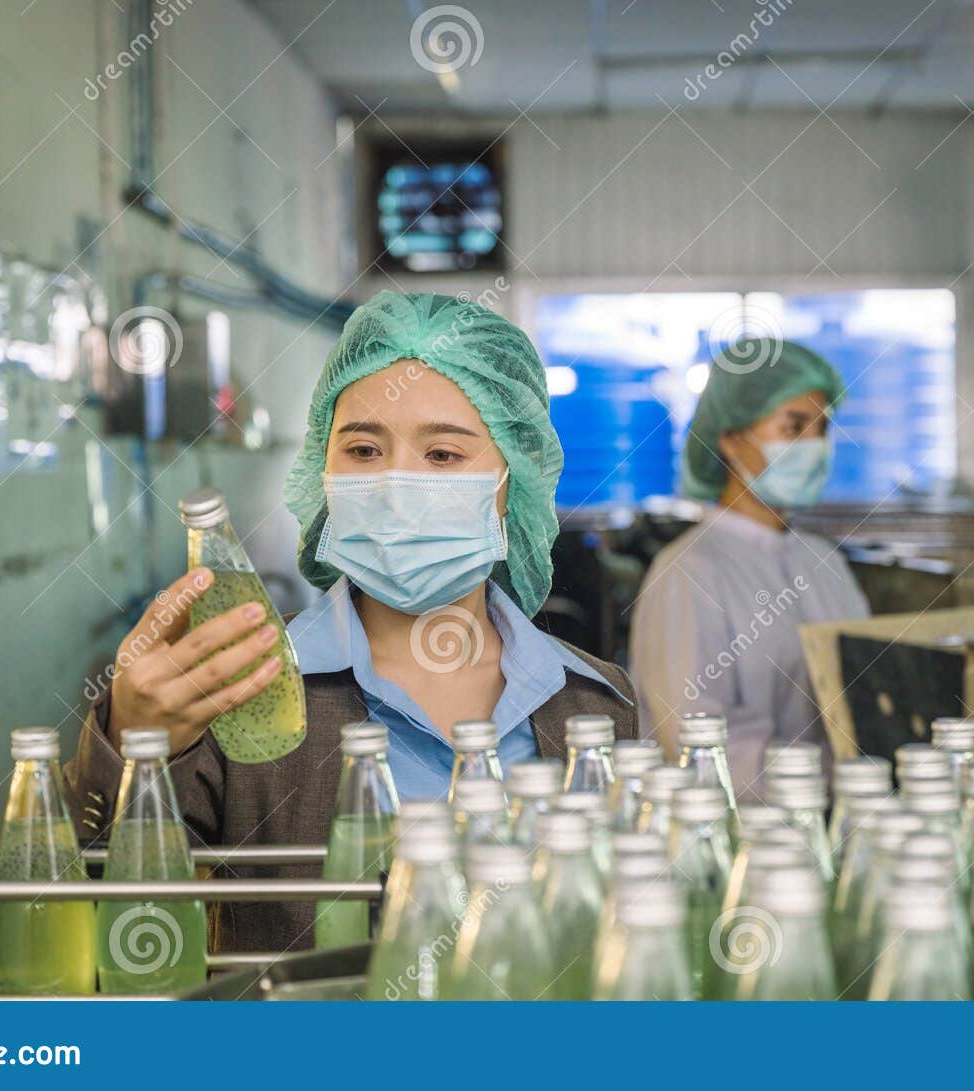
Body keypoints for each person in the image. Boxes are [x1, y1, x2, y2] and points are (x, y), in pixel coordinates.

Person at [65, 291, 636, 953]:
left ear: (517, 479)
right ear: (322, 469)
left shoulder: (594, 702)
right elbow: (110, 935)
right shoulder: (243, 686)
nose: (395, 482)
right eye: (364, 450)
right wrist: (128, 744)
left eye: (443, 456)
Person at [628, 339, 869, 799]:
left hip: (838, 820)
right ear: (732, 438)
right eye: (794, 426)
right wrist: (819, 778)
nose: (814, 446)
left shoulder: (825, 562)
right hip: (741, 835)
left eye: (822, 428)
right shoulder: (689, 570)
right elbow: (696, 738)